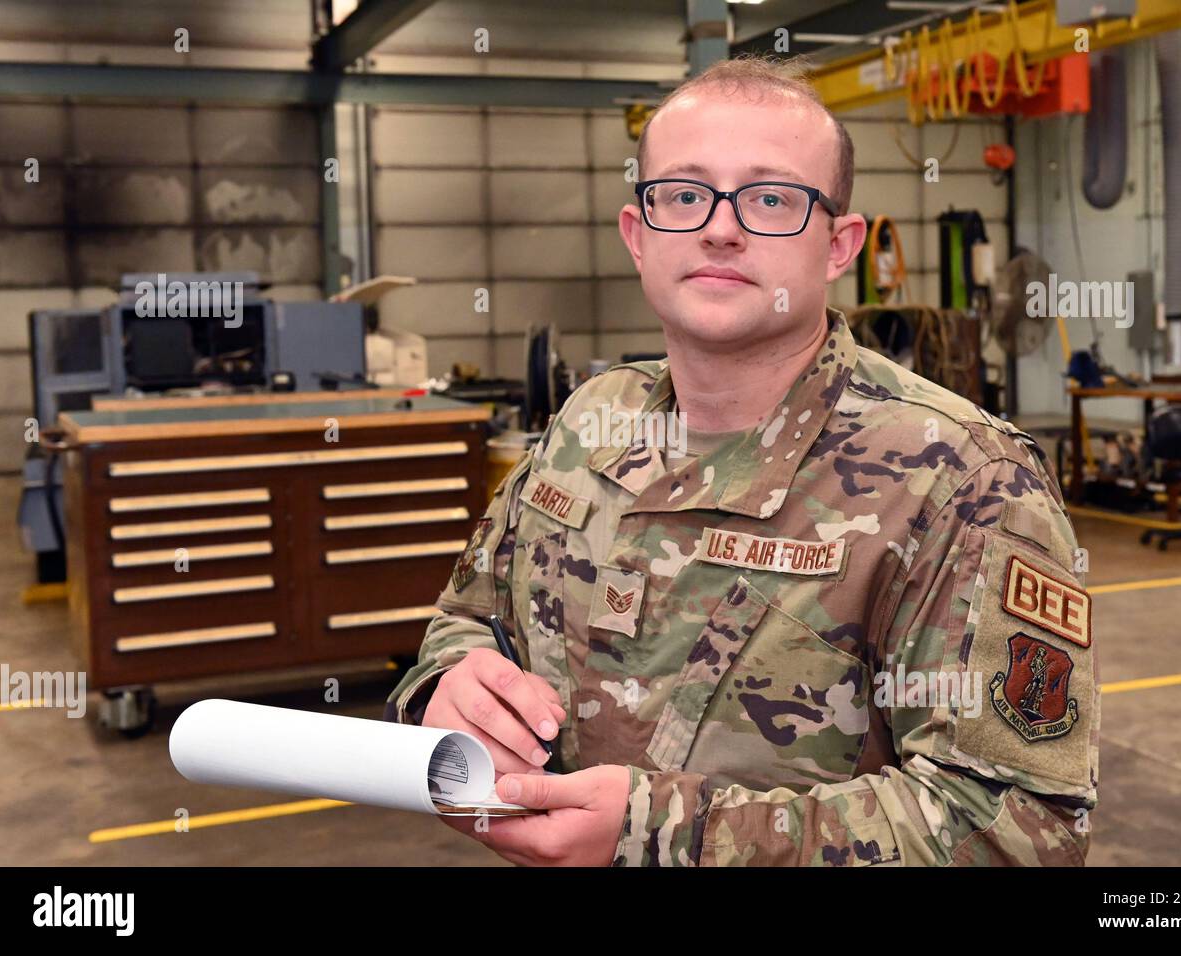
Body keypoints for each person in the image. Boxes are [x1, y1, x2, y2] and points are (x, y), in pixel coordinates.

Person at [385, 56, 1099, 867]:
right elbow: (468, 619)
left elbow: (1022, 831)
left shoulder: (962, 481)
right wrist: (445, 686)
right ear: (638, 234)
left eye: (771, 199)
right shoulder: (591, 419)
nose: (720, 228)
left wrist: (658, 835)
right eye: (684, 195)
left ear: (840, 245)